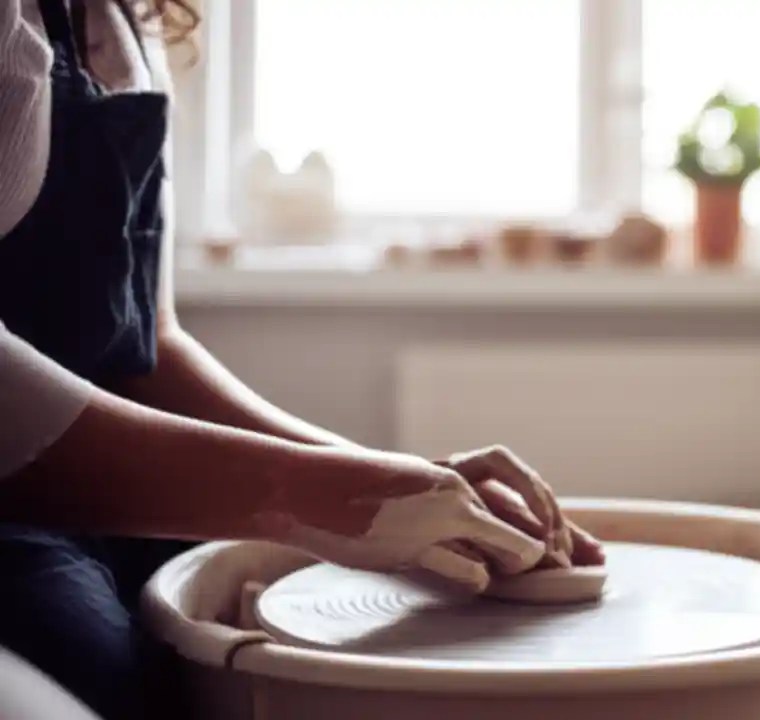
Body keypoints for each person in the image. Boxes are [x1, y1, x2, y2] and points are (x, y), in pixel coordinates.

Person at [0, 2, 604, 718]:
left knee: (271, 639)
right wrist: (311, 494)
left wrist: (397, 482)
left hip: (123, 486)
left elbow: (143, 347)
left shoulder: (125, 19)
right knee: (115, 675)